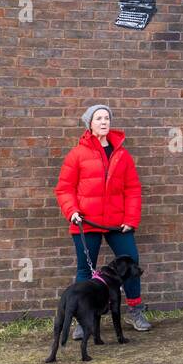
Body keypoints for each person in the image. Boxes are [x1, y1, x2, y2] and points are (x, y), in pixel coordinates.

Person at [54, 104, 151, 333]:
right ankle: (82, 319)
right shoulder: (77, 154)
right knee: (84, 271)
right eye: (98, 118)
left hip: (118, 223)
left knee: (131, 263)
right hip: (87, 222)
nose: (104, 122)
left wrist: (131, 219)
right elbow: (64, 188)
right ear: (90, 123)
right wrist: (72, 211)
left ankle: (135, 311)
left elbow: (133, 189)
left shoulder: (122, 155)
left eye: (107, 118)